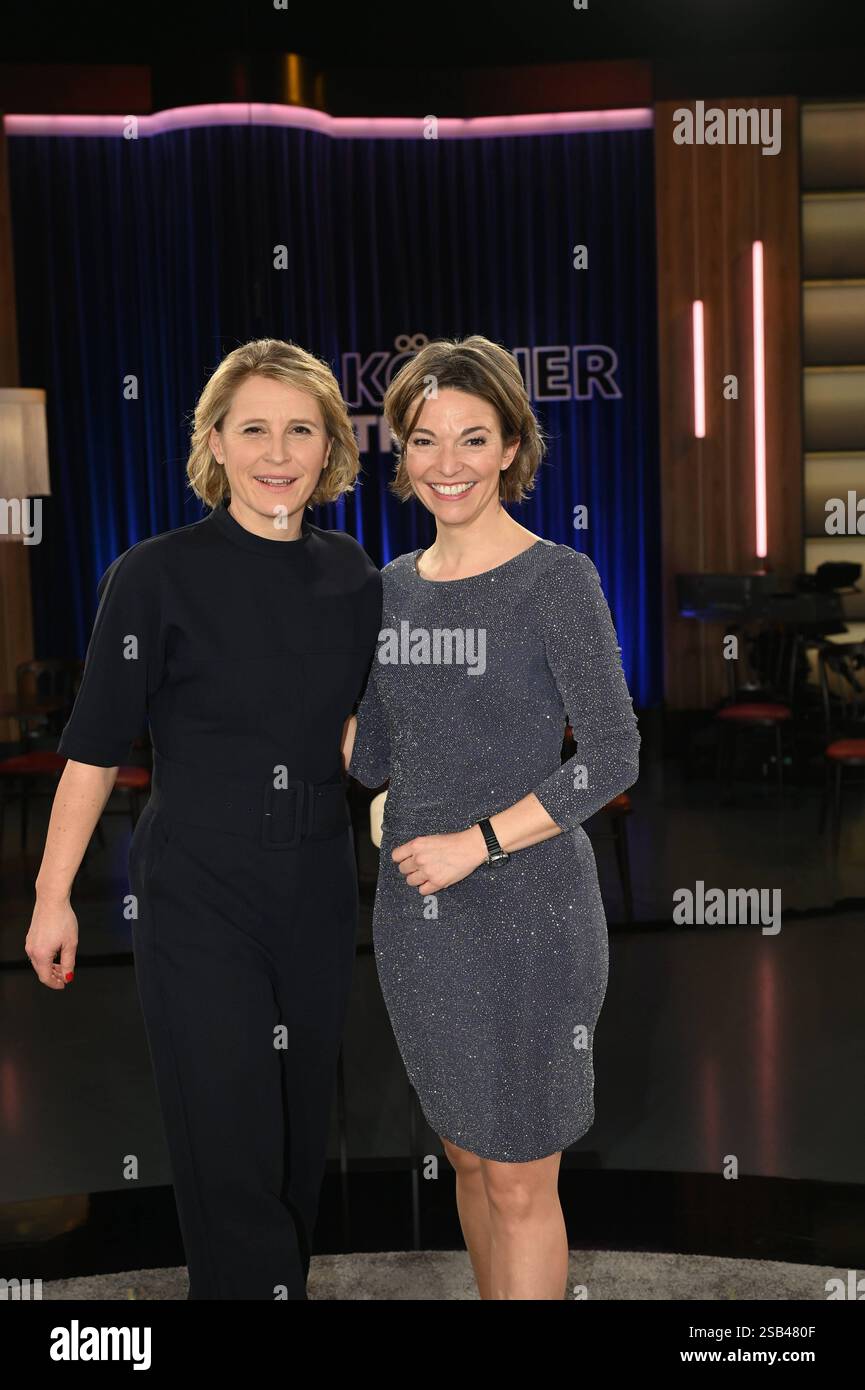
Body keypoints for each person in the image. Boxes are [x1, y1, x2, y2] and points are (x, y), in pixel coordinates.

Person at [26, 339, 382, 1300]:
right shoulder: (153, 575)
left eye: (300, 429)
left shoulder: (352, 573)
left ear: (330, 448)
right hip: (197, 889)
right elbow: (94, 750)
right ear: (215, 443)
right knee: (226, 1136)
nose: (278, 451)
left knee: (295, 1138)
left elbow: (352, 732)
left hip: (316, 883)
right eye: (253, 428)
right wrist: (52, 895)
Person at [343, 335, 641, 1301]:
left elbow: (611, 754)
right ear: (400, 450)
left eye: (473, 439)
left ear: (512, 445)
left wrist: (476, 845)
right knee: (466, 1157)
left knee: (519, 1176)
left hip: (531, 913)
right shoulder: (388, 590)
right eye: (425, 441)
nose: (447, 464)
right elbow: (378, 758)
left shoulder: (556, 580)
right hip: (418, 920)